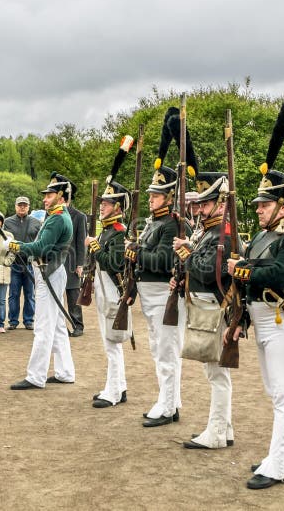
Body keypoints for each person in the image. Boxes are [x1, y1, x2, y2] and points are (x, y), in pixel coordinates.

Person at [227, 100, 284, 490]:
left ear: (283, 205)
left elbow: (277, 273)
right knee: (275, 391)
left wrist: (244, 270)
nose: (258, 210)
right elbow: (250, 267)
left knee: (282, 395)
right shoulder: (262, 236)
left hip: (281, 317)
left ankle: (276, 466)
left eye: (265, 204)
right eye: (258, 205)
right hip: (259, 317)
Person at [172, 171, 235, 449]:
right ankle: (225, 429)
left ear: (221, 204)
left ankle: (217, 432)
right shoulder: (209, 231)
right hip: (205, 306)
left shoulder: (223, 233)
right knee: (217, 373)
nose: (200, 209)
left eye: (206, 203)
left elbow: (210, 271)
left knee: (217, 374)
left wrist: (187, 256)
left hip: (214, 307)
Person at [126, 165, 184, 427]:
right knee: (158, 349)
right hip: (151, 296)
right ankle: (169, 399)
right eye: (151, 195)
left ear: (170, 198)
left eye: (156, 195)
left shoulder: (170, 223)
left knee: (166, 352)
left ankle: (168, 406)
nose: (150, 199)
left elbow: (163, 260)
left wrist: (137, 253)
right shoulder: (155, 223)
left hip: (163, 294)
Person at [8, 173, 75, 390]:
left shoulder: (57, 218)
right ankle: (65, 372)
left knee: (44, 326)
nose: (45, 199)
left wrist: (15, 245)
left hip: (50, 272)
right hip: (50, 271)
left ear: (61, 197)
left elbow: (40, 248)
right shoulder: (56, 216)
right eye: (45, 196)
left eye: (50, 195)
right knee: (56, 327)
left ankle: (36, 376)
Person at [84, 180, 131, 408]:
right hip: (104, 291)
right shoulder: (108, 232)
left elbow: (114, 264)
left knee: (112, 343)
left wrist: (94, 247)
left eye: (108, 203)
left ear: (119, 207)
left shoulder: (118, 233)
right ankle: (118, 386)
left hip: (113, 291)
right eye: (102, 202)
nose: (102, 206)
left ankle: (113, 392)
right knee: (110, 343)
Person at [3, 197, 41, 330]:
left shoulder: (36, 223)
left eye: (25, 205)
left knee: (30, 293)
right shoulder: (7, 222)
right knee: (13, 294)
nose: (22, 207)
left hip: (30, 263)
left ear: (29, 207)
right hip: (14, 263)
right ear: (15, 206)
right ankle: (13, 321)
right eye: (20, 205)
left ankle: (29, 320)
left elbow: (40, 242)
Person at [64, 189, 87, 337]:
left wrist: (80, 264)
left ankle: (77, 325)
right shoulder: (50, 215)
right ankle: (59, 327)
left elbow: (81, 242)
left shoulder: (79, 216)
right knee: (56, 297)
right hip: (55, 263)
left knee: (73, 296)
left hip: (71, 263)